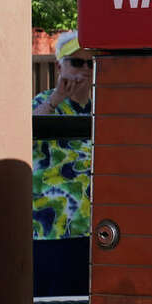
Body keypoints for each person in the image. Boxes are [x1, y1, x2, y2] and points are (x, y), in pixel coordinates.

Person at [31, 30, 93, 242]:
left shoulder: (102, 107)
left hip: (91, 229)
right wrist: (57, 99)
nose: (85, 69)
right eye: (76, 62)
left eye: (91, 63)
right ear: (60, 66)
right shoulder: (44, 102)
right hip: (50, 228)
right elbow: (24, 130)